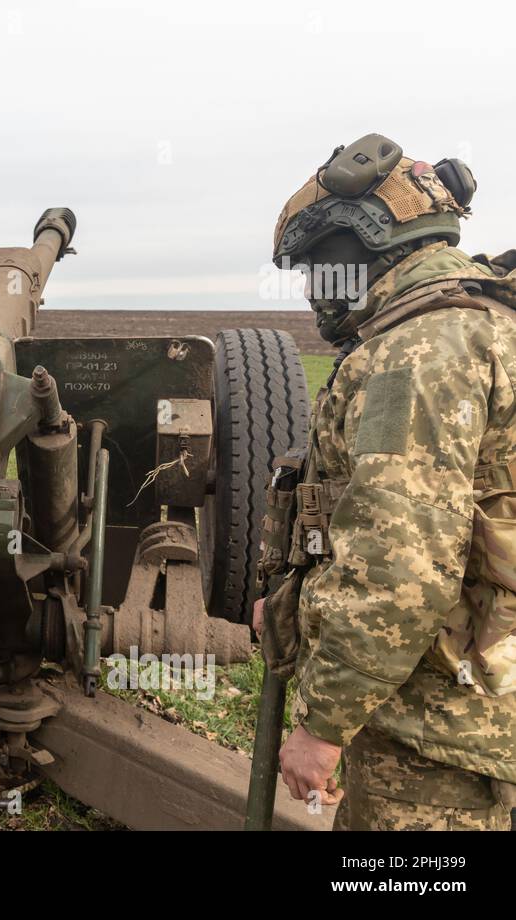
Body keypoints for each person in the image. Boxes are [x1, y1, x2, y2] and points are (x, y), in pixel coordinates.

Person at [259, 133, 516, 829]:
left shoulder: (417, 353)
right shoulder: (487, 325)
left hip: (431, 730)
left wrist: (322, 726)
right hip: (479, 707)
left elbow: (398, 565)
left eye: (316, 269)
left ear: (353, 249)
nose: (315, 292)